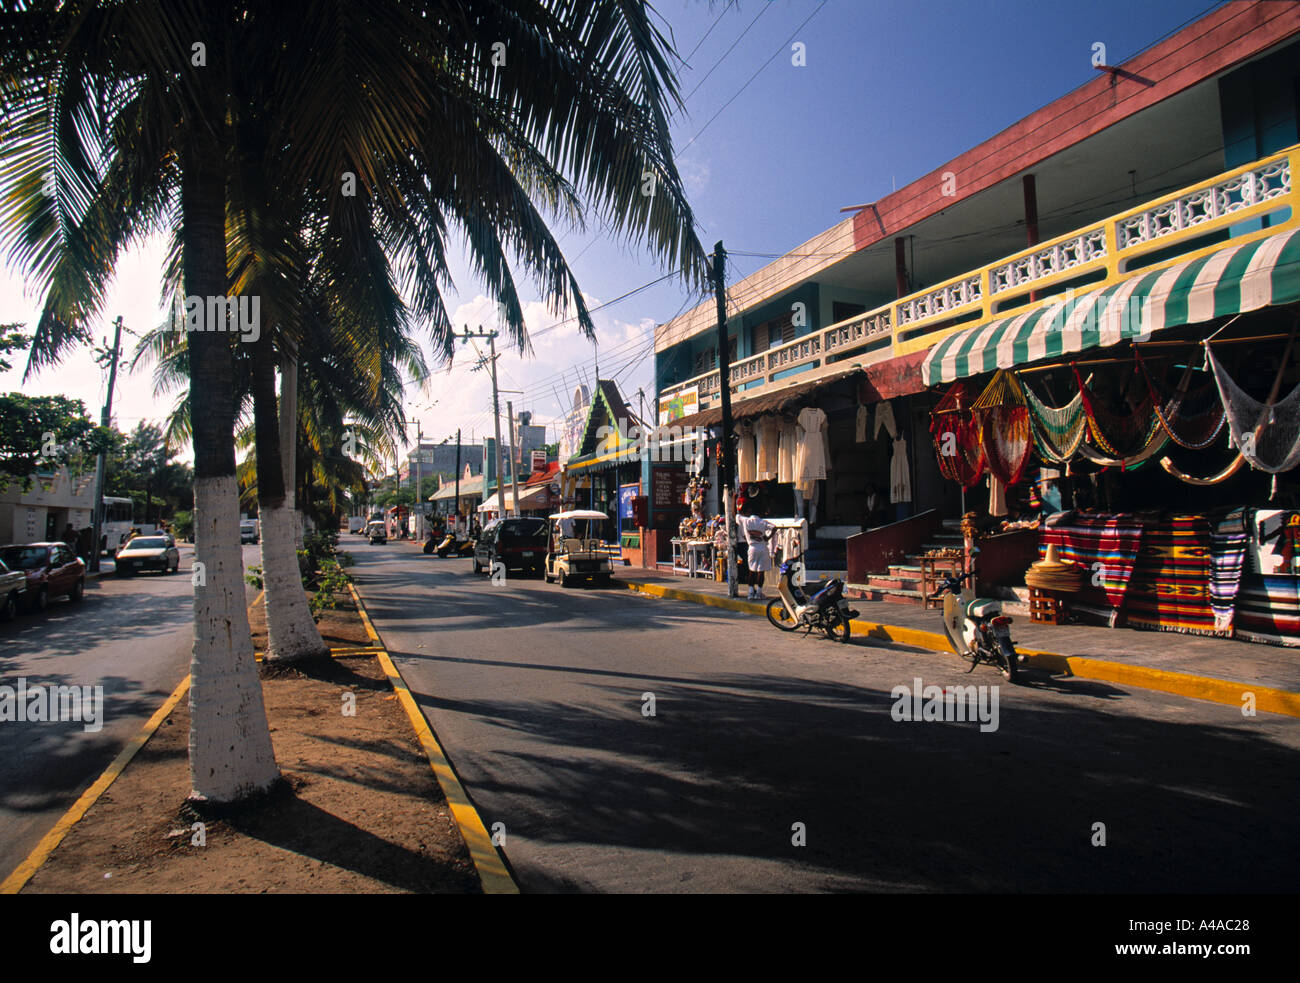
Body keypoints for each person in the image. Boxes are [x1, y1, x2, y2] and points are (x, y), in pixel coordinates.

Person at [739, 502, 774, 601]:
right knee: (760, 572)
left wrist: (733, 498)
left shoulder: (746, 520)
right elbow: (774, 528)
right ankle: (758, 592)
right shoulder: (763, 522)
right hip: (763, 548)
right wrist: (768, 537)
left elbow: (735, 515)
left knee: (751, 570)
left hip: (752, 548)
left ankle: (750, 592)